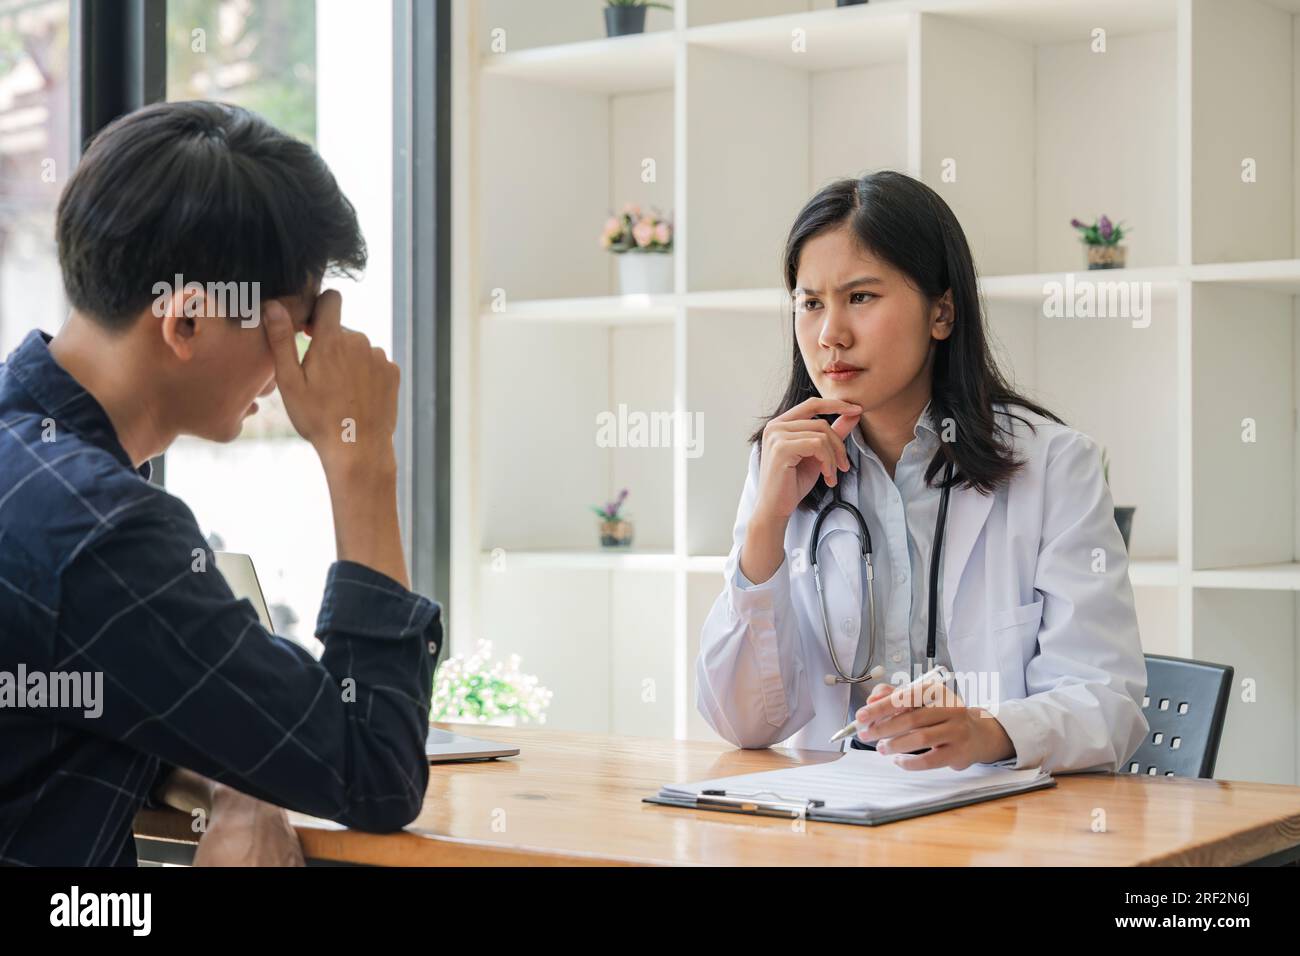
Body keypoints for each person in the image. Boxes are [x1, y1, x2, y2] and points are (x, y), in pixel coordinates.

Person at [0, 101, 439, 866]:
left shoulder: (37, 475)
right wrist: (361, 458)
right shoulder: (101, 532)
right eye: (296, 331)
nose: (301, 366)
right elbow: (376, 769)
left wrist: (241, 784)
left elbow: (113, 689)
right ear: (188, 325)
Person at [696, 171, 1148, 775]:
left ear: (941, 312)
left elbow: (1108, 705)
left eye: (861, 297)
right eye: (811, 303)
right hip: (834, 822)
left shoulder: (1055, 466)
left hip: (997, 829)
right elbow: (743, 724)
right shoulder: (781, 466)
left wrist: (987, 731)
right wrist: (765, 528)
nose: (831, 334)